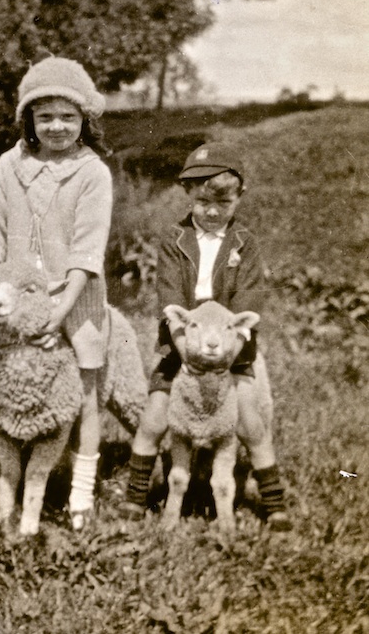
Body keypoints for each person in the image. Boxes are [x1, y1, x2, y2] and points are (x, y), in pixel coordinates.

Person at [0, 56, 113, 531]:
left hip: (76, 300)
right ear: (29, 120)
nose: (56, 127)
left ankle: (80, 493)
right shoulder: (9, 165)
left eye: (67, 116)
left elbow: (87, 251)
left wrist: (59, 313)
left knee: (84, 396)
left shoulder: (93, 173)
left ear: (84, 119)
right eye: (45, 117)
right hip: (13, 301)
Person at [121, 142, 291, 530]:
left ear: (239, 197)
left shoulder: (245, 244)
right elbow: (169, 298)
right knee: (155, 418)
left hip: (231, 348)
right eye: (202, 202)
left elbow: (248, 301)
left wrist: (227, 353)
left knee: (249, 420)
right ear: (188, 194)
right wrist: (187, 352)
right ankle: (135, 497)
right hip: (182, 343)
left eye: (223, 203)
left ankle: (275, 502)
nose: (212, 212)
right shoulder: (174, 240)